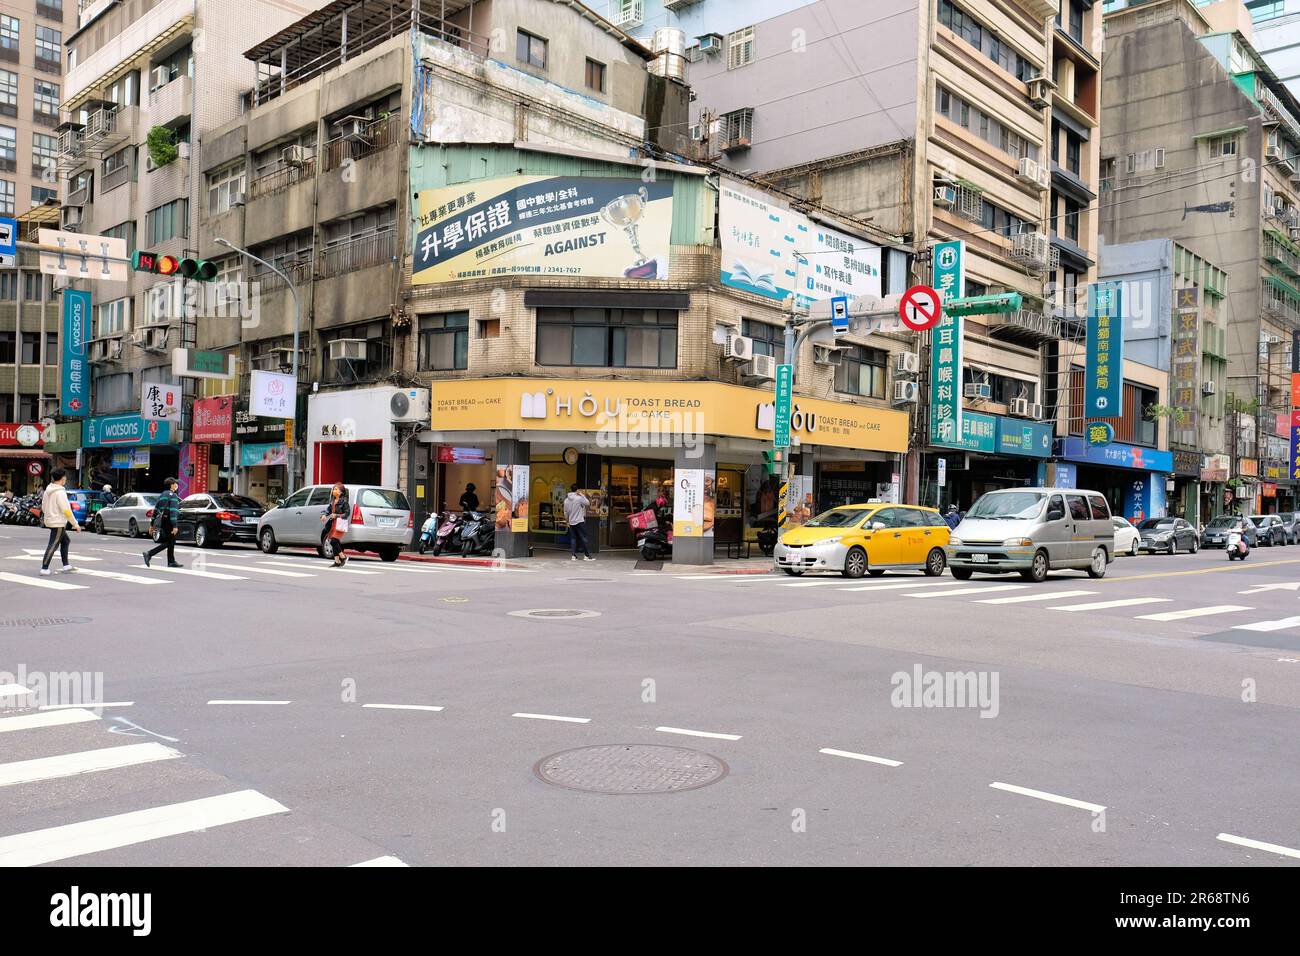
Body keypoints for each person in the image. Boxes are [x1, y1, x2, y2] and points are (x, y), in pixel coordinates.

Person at [39, 468, 80, 576]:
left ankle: (66, 566)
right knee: (53, 544)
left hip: (51, 520)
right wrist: (75, 524)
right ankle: (44, 568)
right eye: (65, 477)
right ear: (62, 479)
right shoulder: (60, 492)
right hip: (58, 522)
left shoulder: (48, 490)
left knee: (65, 541)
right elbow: (66, 510)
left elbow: (43, 507)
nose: (66, 479)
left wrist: (49, 514)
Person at [142, 478, 183, 569]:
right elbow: (173, 511)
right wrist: (175, 525)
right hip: (169, 521)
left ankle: (171, 561)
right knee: (170, 541)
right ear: (171, 485)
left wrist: (152, 524)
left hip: (163, 521)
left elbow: (156, 510)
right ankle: (149, 554)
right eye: (175, 484)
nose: (177, 485)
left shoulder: (162, 494)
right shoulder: (173, 496)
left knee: (170, 541)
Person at [321, 481, 350, 567]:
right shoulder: (333, 501)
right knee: (333, 541)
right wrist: (324, 515)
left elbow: (347, 514)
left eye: (336, 489)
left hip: (340, 524)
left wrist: (337, 515)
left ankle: (343, 557)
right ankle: (337, 561)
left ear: (340, 492)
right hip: (333, 524)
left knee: (334, 541)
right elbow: (328, 510)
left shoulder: (344, 502)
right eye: (333, 489)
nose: (334, 490)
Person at [564, 484, 594, 561]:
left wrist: (567, 521)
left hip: (571, 522)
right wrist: (581, 494)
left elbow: (565, 512)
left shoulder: (566, 500)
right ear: (577, 490)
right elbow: (588, 503)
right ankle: (586, 555)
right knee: (584, 537)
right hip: (579, 521)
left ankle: (573, 556)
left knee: (573, 538)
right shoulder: (579, 498)